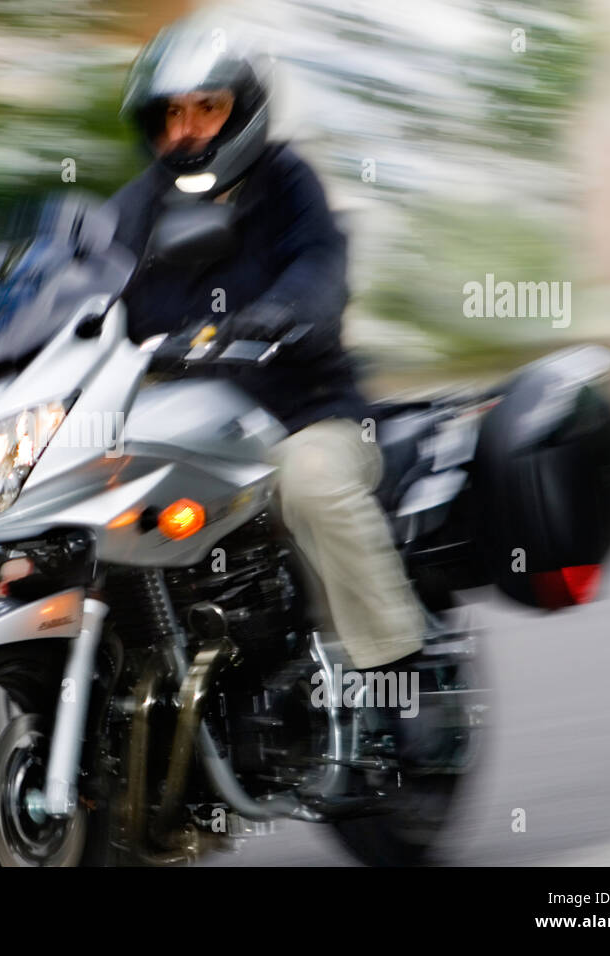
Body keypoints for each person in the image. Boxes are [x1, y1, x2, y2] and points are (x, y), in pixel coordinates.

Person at [107, 15, 443, 766]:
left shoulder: (287, 183)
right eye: (172, 114)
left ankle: (393, 678)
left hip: (301, 414)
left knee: (313, 487)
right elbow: (81, 278)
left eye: (207, 108)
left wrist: (280, 315)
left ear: (244, 110)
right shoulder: (135, 208)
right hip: (181, 424)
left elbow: (321, 269)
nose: (187, 131)